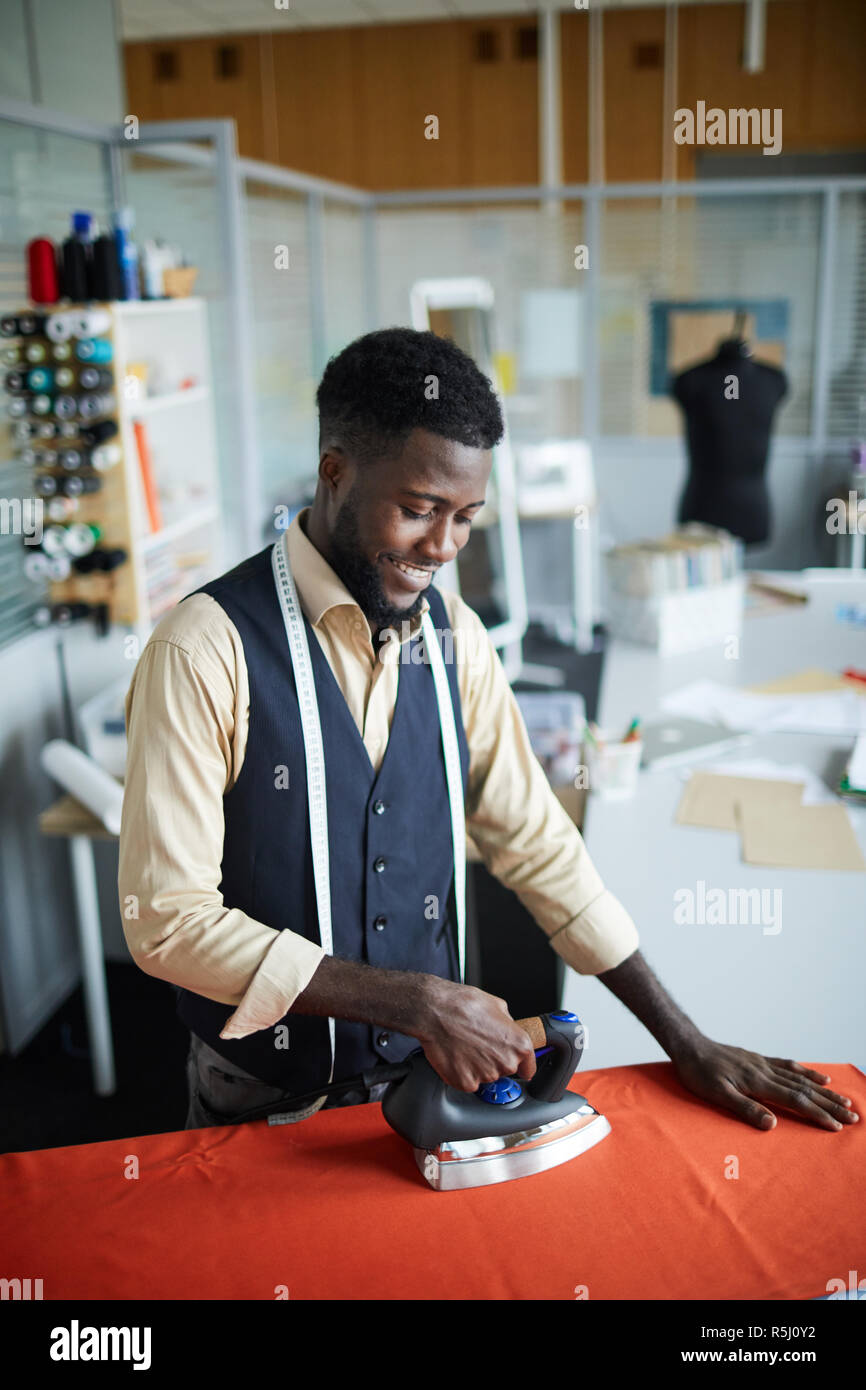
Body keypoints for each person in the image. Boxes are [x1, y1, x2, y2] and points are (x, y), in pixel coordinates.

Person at [119, 327, 857, 1137]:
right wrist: (418, 1001)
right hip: (263, 1099)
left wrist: (683, 1038)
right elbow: (165, 919)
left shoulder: (453, 631)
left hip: (427, 1081)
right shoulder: (204, 646)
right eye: (418, 510)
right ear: (335, 472)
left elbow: (534, 839)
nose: (442, 548)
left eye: (466, 517)